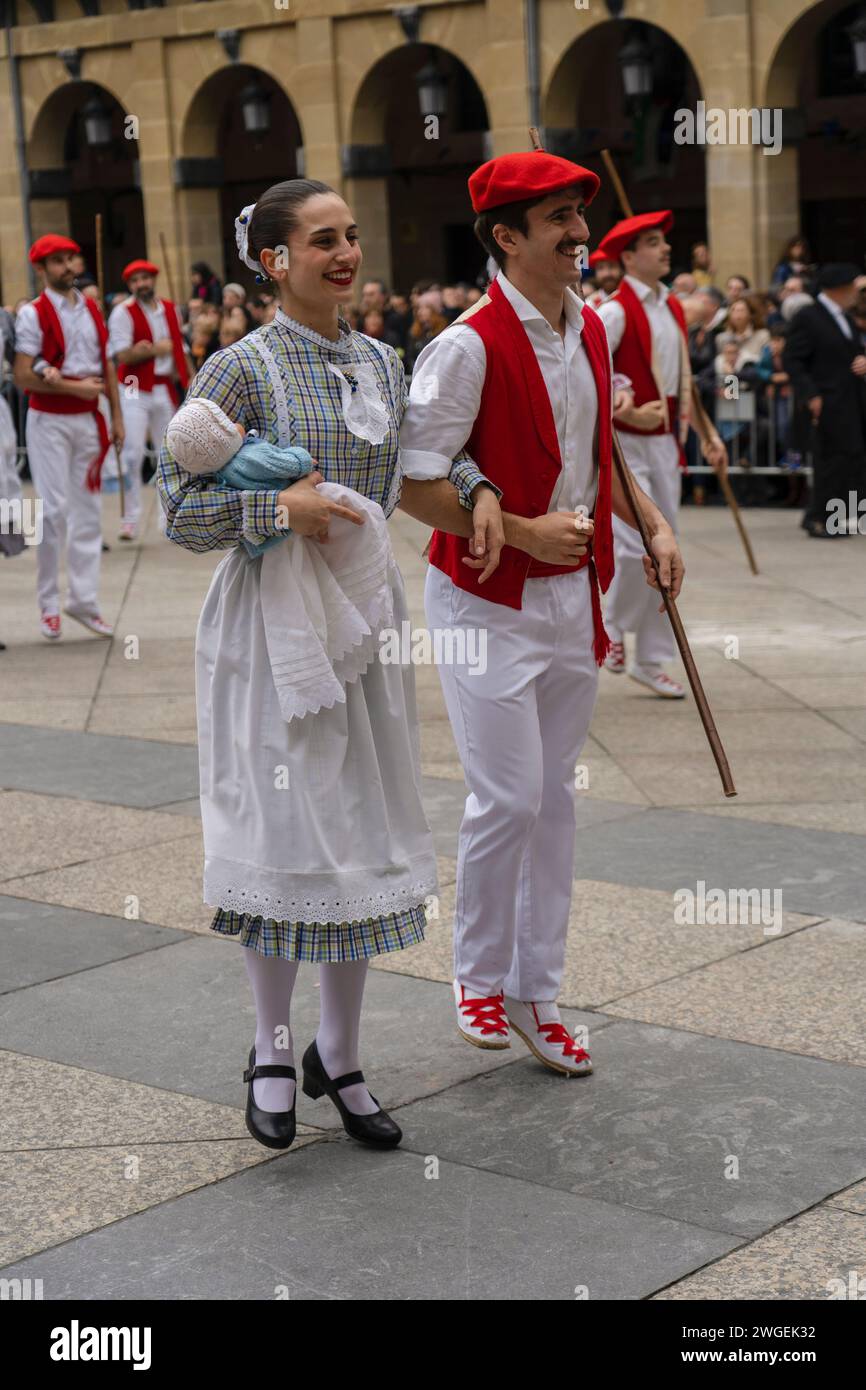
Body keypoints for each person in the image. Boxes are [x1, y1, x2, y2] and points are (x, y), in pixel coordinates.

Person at [156, 177, 494, 1153]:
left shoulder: (385, 362)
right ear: (273, 261)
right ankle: (270, 1047)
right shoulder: (239, 367)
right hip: (269, 627)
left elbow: (423, 462)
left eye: (349, 237)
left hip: (362, 620)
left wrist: (475, 491)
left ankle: (338, 1054)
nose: (344, 254)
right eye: (321, 241)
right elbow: (176, 506)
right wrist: (276, 512)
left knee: (358, 825)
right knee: (281, 827)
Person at [397, 150, 685, 1075]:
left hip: (576, 594)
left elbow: (601, 451)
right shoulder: (468, 343)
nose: (578, 234)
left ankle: (538, 990)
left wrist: (653, 526)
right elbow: (414, 480)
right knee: (510, 794)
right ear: (507, 238)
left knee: (555, 799)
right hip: (485, 599)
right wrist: (518, 531)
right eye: (558, 219)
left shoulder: (593, 331)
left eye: (577, 215)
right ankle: (477, 973)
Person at [593, 211, 725, 697]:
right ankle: (611, 624)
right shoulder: (615, 311)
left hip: (667, 441)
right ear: (628, 256)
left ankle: (649, 656)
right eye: (653, 243)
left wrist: (708, 434)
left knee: (662, 549)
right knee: (632, 551)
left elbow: (682, 381)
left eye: (664, 242)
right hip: (626, 444)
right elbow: (589, 375)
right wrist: (624, 409)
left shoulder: (671, 306)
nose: (665, 249)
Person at [13, 234, 122, 640]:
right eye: (57, 262)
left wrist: (117, 415)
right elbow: (24, 375)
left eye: (69, 259)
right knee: (52, 511)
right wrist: (76, 389)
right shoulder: (32, 314)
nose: (67, 267)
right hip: (50, 419)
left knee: (89, 512)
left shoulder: (92, 308)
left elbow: (107, 363)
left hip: (88, 418)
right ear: (41, 269)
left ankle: (84, 600)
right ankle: (48, 604)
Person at [107, 259, 190, 541]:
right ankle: (129, 518)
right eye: (135, 280)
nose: (141, 284)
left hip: (163, 385)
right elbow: (122, 356)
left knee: (171, 452)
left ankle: (168, 516)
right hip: (132, 384)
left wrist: (190, 377)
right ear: (130, 285)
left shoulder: (169, 309)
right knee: (131, 451)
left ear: (153, 279)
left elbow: (180, 348)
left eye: (145, 278)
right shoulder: (122, 312)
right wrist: (154, 350)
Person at [783, 263, 866, 538]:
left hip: (850, 399)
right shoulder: (809, 316)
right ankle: (821, 517)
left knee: (849, 459)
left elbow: (849, 353)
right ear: (839, 289)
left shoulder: (844, 318)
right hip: (826, 401)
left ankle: (837, 516)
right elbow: (793, 360)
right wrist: (810, 394)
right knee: (830, 461)